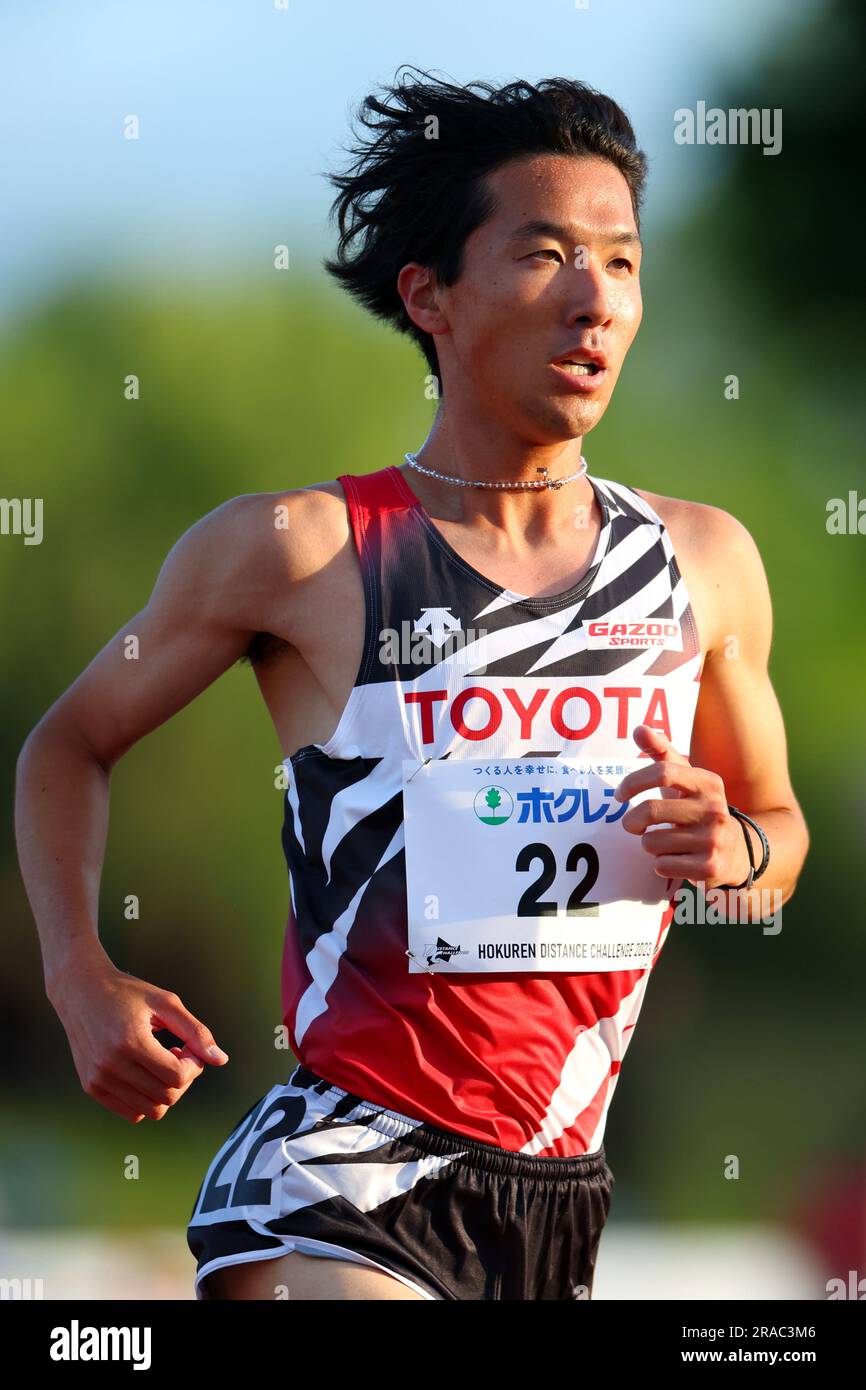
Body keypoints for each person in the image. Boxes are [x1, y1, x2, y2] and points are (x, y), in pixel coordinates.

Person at [15, 68, 809, 1302]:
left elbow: (777, 844)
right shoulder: (298, 550)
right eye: (545, 255)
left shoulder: (703, 564)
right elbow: (67, 743)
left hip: (558, 1192)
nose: (593, 300)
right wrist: (79, 972)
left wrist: (735, 853)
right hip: (343, 1176)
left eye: (621, 261)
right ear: (428, 294)